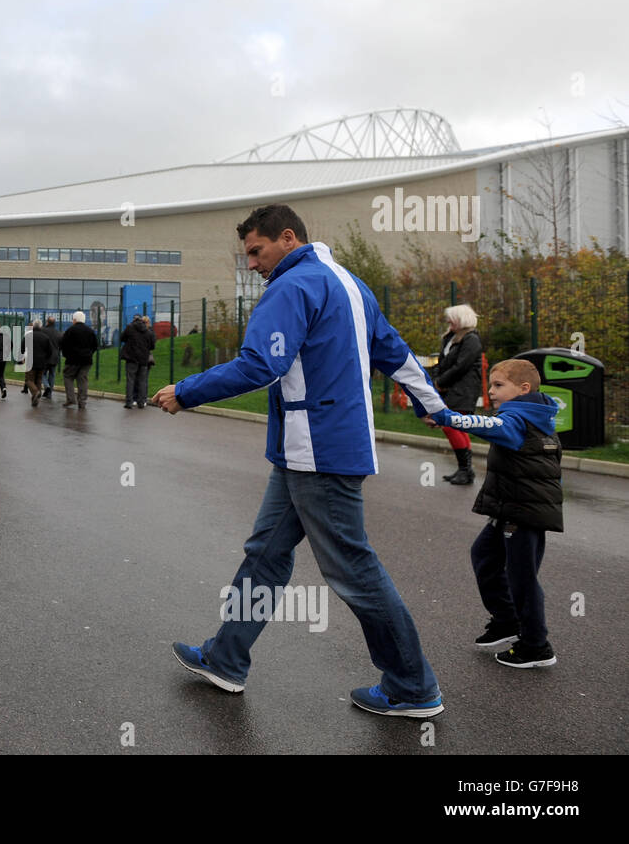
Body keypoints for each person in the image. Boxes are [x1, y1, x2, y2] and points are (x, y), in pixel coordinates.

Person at [154, 203, 449, 719]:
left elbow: (259, 365)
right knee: (265, 553)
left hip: (318, 451)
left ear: (287, 238)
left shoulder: (291, 286)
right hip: (310, 450)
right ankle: (226, 658)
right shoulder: (351, 284)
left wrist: (187, 390)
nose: (251, 264)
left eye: (256, 251)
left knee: (352, 569)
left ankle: (412, 687)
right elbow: (396, 352)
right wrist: (434, 405)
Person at [426, 359, 561, 668]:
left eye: (499, 385)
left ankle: (536, 646)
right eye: (490, 386)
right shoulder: (527, 416)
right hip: (510, 508)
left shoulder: (518, 421)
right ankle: (507, 620)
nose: (491, 392)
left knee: (522, 577)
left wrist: (449, 417)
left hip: (524, 514)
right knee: (484, 556)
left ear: (524, 388)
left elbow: (489, 426)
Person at [433, 304, 484, 485]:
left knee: (451, 426)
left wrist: (440, 382)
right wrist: (437, 378)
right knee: (458, 426)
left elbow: (461, 366)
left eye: (451, 318)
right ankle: (465, 470)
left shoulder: (471, 339)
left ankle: (465, 469)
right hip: (452, 387)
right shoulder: (451, 337)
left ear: (461, 319)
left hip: (463, 389)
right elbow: (443, 361)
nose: (448, 321)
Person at [59, 311, 98, 409]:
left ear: (75, 320)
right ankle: (82, 401)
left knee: (68, 376)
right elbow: (95, 346)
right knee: (82, 379)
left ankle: (71, 399)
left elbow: (64, 344)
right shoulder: (90, 331)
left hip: (72, 359)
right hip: (87, 360)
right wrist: (89, 354)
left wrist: (66, 355)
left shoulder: (70, 330)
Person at [119, 312, 157, 409]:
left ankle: (129, 402)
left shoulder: (129, 328)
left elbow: (122, 338)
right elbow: (152, 346)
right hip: (144, 359)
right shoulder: (148, 331)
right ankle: (141, 402)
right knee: (142, 381)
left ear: (134, 320)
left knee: (130, 380)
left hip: (131, 359)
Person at [25, 319, 54, 407]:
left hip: (30, 361)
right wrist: (45, 358)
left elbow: (22, 347)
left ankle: (36, 392)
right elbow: (50, 351)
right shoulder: (45, 337)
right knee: (38, 380)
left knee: (29, 380)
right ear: (41, 326)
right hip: (42, 362)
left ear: (33, 326)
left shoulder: (29, 336)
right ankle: (36, 399)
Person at [42, 315, 62, 399]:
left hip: (44, 356)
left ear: (47, 322)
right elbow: (61, 345)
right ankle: (49, 394)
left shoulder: (43, 331)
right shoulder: (58, 333)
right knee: (52, 374)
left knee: (42, 373)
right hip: (55, 357)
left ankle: (47, 387)